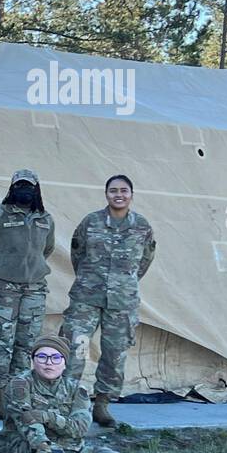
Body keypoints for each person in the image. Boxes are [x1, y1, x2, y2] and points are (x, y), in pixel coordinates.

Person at [59, 175, 157, 427]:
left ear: (131, 195)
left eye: (124, 191)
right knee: (74, 349)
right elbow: (77, 253)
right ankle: (66, 401)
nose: (118, 195)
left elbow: (144, 261)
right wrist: (92, 278)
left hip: (122, 301)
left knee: (114, 355)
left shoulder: (142, 227)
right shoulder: (90, 222)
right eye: (113, 191)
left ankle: (102, 403)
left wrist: (122, 282)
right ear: (106, 194)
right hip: (86, 298)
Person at [0, 335, 132, 453]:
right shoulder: (20, 384)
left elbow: (80, 428)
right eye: (42, 357)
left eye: (55, 357)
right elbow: (28, 423)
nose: (49, 363)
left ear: (64, 362)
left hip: (73, 449)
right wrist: (43, 446)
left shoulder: (76, 389)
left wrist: (49, 417)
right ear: (33, 361)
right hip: (30, 447)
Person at [0, 169, 55, 418]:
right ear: (12, 188)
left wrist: (30, 269)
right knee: (2, 344)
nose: (24, 190)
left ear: (36, 190)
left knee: (26, 344)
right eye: (20, 186)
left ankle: (19, 393)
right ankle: (0, 393)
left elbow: (46, 250)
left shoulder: (45, 218)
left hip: (35, 290)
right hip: (3, 290)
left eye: (29, 186)